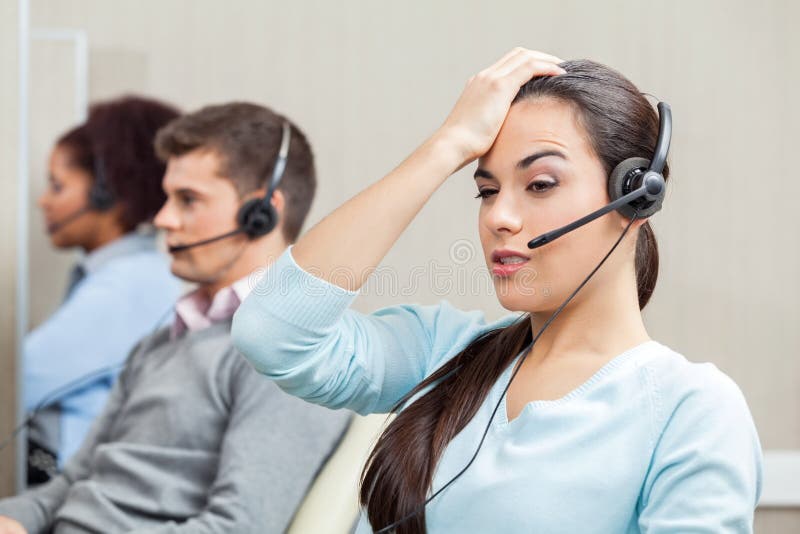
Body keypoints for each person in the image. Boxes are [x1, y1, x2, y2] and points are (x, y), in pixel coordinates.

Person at [232, 49, 763, 533]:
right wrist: (448, 146)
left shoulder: (691, 411)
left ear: (634, 197)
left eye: (540, 184)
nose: (500, 218)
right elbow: (272, 331)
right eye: (486, 191)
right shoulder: (442, 353)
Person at [0, 102, 349, 533]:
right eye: (168, 198)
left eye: (188, 200)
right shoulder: (164, 340)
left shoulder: (288, 354)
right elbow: (70, 486)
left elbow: (239, 527)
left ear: (262, 213)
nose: (163, 219)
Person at [25, 96, 183, 484]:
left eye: (57, 186)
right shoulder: (123, 271)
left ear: (105, 194)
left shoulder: (130, 283)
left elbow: (17, 379)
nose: (43, 201)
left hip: (70, 490)